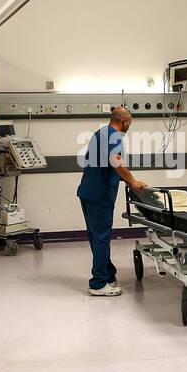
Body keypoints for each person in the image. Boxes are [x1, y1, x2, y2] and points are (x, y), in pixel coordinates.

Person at [76, 106, 149, 296]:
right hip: (100, 195)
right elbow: (115, 159)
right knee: (101, 238)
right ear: (124, 121)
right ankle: (98, 284)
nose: (129, 126)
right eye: (130, 122)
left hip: (87, 192)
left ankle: (108, 274)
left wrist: (126, 179)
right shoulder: (115, 136)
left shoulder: (99, 133)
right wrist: (132, 181)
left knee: (95, 236)